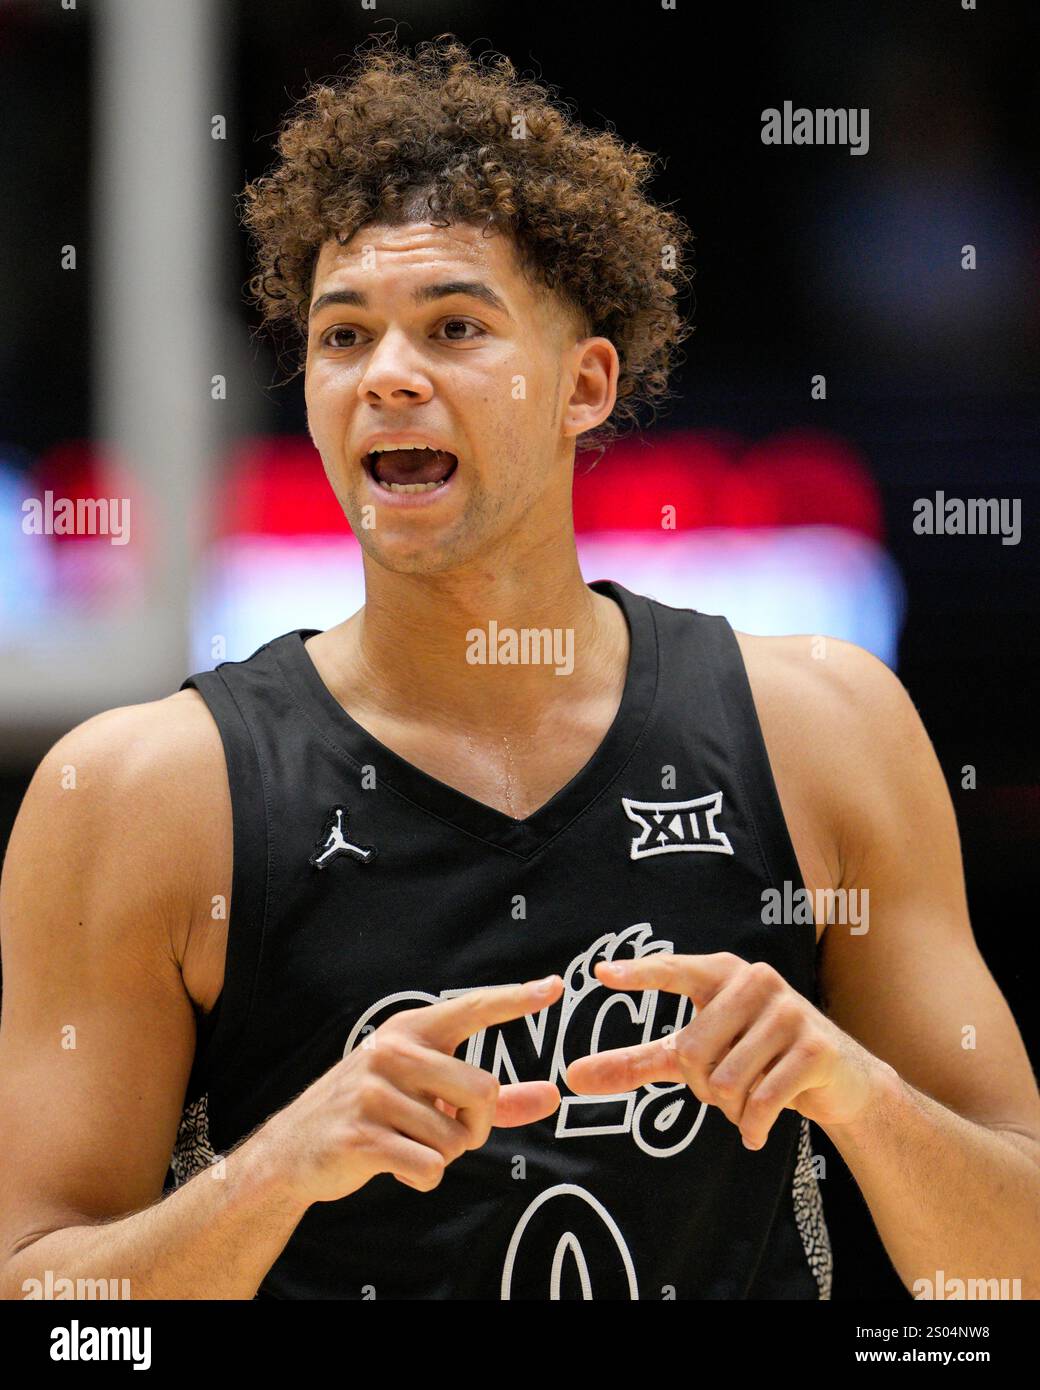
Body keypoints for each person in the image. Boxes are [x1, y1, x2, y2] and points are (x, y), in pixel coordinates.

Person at [1, 34, 1037, 1302]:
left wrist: (854, 1092)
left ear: (583, 384)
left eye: (451, 326)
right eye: (342, 337)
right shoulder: (135, 794)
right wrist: (268, 1174)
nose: (387, 376)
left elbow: (1011, 1273)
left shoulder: (822, 725)